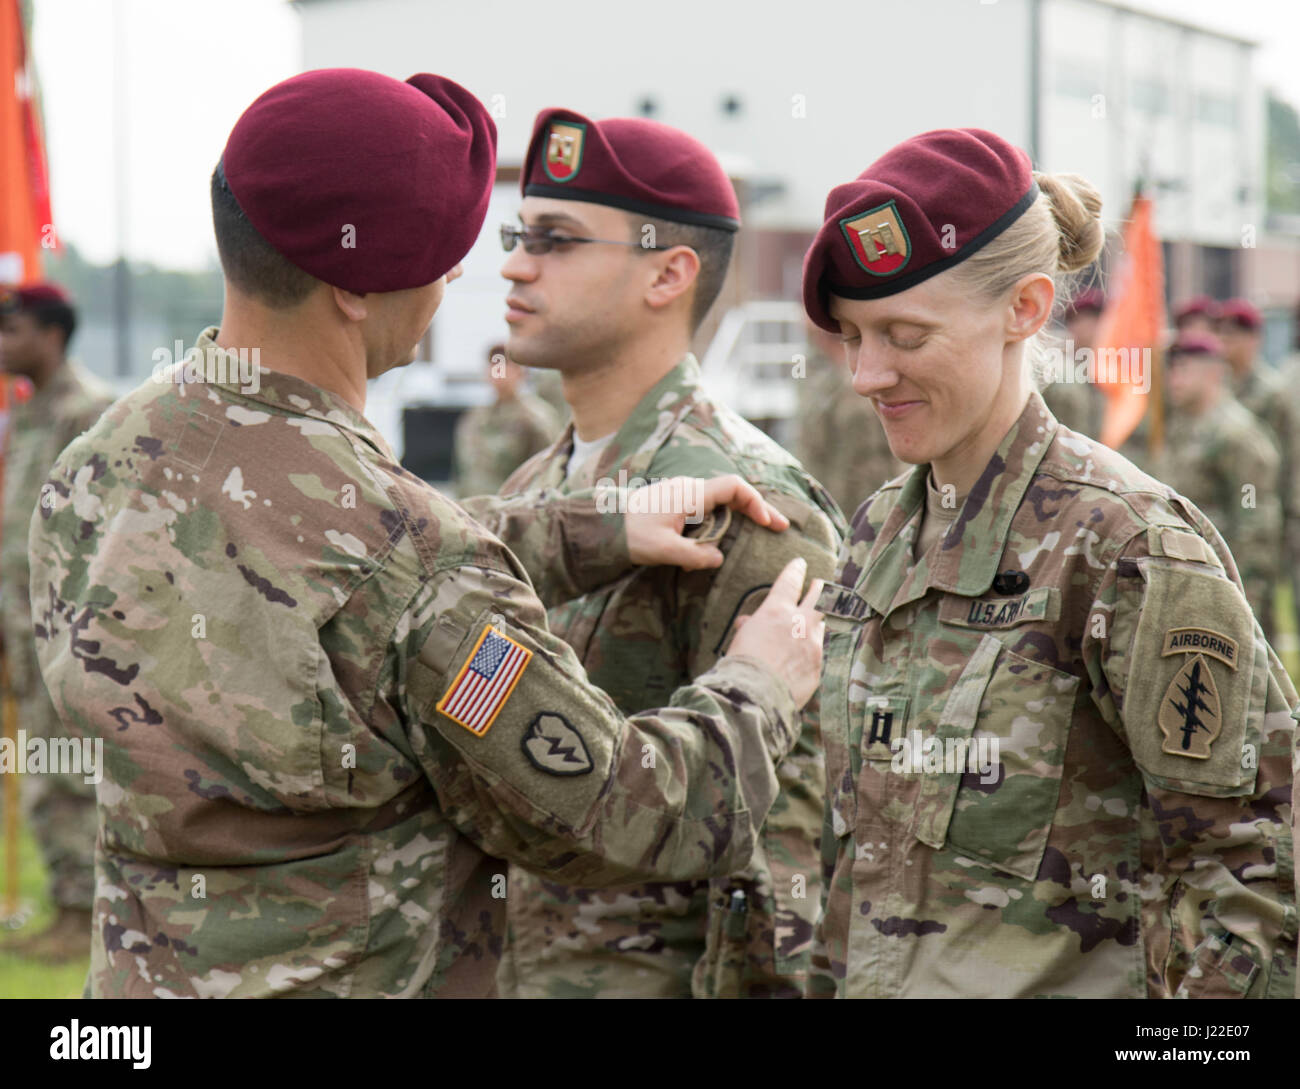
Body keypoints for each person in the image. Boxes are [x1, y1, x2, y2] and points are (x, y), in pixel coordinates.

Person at [26, 68, 827, 999]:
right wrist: (761, 683)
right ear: (359, 289)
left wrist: (588, 529)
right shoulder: (415, 560)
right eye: (445, 260)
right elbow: (616, 812)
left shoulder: (101, 461)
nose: (462, 280)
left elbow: (314, 563)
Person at [800, 127, 1297, 997]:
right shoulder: (877, 534)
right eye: (852, 336)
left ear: (1024, 309)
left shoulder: (1127, 548)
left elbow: (1253, 876)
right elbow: (857, 864)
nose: (866, 374)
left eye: (904, 335)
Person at [464, 107, 845, 999]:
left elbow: (779, 844)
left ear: (669, 274)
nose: (516, 264)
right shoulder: (531, 493)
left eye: (557, 240)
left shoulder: (743, 503)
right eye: (522, 236)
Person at [0, 283, 113, 961]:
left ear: (52, 334)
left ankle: (84, 913)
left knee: (68, 763)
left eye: (12, 329)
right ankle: (68, 903)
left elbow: (90, 527)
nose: (2, 343)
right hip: (19, 617)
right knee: (38, 761)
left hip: (63, 623)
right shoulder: (31, 414)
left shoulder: (85, 410)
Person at [1158, 332, 1282, 640]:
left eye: (1184, 369)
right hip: (1190, 576)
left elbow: (1253, 513)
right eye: (1172, 369)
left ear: (1213, 372)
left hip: (1227, 580)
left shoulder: (1236, 434)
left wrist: (1245, 592)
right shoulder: (1179, 426)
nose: (1174, 378)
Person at [1218, 298, 1300, 642]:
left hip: (1267, 507)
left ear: (1255, 339)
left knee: (1267, 604)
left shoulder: (1273, 391)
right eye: (1224, 334)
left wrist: (1289, 514)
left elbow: (1290, 455)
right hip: (1226, 507)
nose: (1228, 342)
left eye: (1237, 335)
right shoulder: (1217, 387)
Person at [793, 319, 903, 518]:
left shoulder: (863, 373)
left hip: (867, 495)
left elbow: (880, 452)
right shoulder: (808, 364)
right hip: (826, 491)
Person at [452, 342, 560, 498]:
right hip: (472, 513)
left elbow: (548, 475)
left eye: (503, 365)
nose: (497, 371)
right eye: (493, 365)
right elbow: (460, 473)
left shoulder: (536, 419)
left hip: (512, 512)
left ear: (520, 372)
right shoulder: (474, 417)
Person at [1040, 287, 1105, 439]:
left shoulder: (1117, 370)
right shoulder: (1056, 369)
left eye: (1097, 320)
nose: (1091, 328)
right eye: (1079, 321)